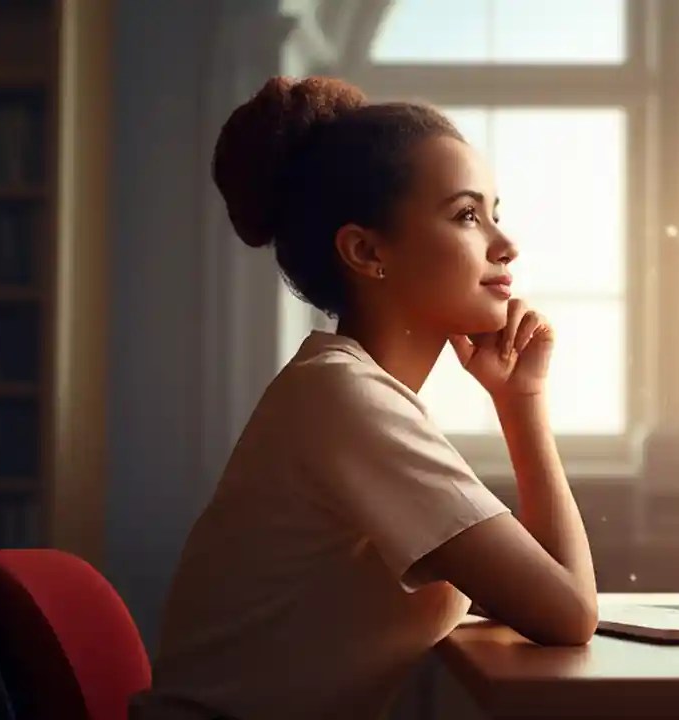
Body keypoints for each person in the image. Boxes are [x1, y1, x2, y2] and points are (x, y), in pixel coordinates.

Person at [129, 76, 598, 720]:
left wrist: (521, 401)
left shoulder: (351, 392)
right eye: (466, 215)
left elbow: (549, 598)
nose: (504, 242)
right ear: (366, 251)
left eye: (496, 212)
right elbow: (569, 612)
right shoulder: (347, 402)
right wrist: (525, 410)